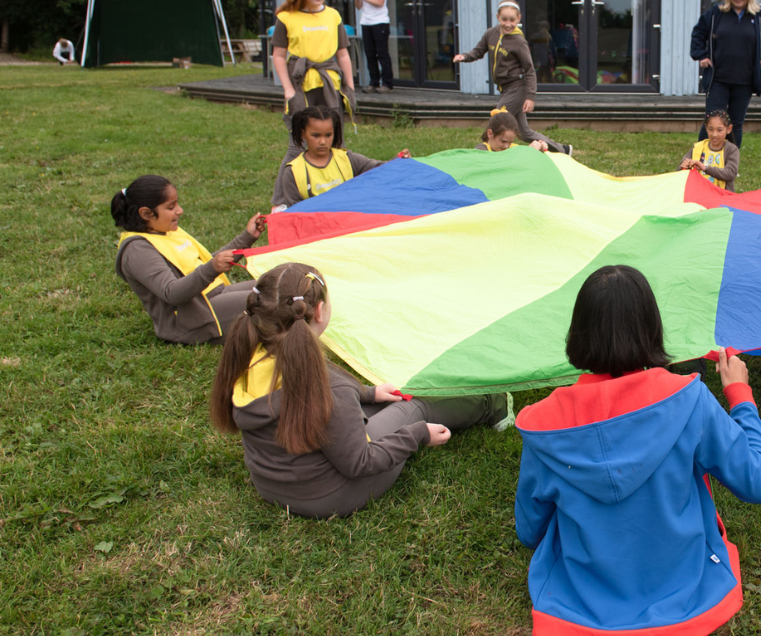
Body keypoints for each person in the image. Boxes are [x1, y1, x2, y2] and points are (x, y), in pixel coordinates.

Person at [514, 265, 761, 634]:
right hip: (690, 596)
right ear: (652, 327)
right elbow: (759, 482)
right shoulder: (690, 399)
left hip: (577, 607)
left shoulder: (543, 423)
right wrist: (740, 395)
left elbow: (529, 532)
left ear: (578, 332)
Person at [208, 262, 513, 518]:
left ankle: (399, 405)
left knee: (377, 407)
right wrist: (418, 435)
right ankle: (492, 404)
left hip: (274, 486)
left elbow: (325, 403)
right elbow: (360, 462)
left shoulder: (248, 357)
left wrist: (368, 394)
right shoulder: (329, 384)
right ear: (321, 311)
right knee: (414, 406)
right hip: (333, 494)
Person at [112, 175, 265, 345]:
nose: (179, 210)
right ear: (146, 213)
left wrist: (246, 238)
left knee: (286, 282)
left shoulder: (163, 230)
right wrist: (212, 268)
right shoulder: (137, 250)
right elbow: (172, 292)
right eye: (171, 207)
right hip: (194, 319)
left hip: (213, 295)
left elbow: (202, 265)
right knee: (280, 298)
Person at [272, 0, 356, 164]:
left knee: (334, 138)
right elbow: (279, 56)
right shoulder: (286, 18)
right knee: (299, 141)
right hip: (301, 87)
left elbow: (343, 53)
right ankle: (286, 192)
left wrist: (350, 84)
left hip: (330, 85)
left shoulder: (333, 16)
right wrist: (288, 90)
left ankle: (339, 184)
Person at [453, 1, 572, 155]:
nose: (508, 24)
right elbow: (478, 51)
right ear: (498, 17)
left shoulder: (518, 42)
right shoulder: (491, 34)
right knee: (525, 133)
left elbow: (530, 70)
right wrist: (465, 56)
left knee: (498, 119)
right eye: (504, 19)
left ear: (518, 19)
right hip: (505, 89)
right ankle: (563, 150)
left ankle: (483, 151)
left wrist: (530, 97)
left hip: (517, 88)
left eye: (512, 20)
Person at [689, 0, 761, 148]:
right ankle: (701, 160)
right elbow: (698, 33)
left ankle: (730, 164)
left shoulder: (760, 16)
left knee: (735, 123)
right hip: (718, 79)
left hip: (744, 81)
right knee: (712, 120)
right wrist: (701, 55)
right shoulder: (716, 13)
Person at [273, 106, 407, 209]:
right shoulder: (293, 172)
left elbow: (379, 169)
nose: (322, 141)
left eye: (328, 135)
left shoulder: (347, 159)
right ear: (303, 134)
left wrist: (399, 160)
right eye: (316, 135)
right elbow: (295, 215)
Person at [352, 0, 393, 94]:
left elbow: (380, 2)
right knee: (370, 53)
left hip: (380, 22)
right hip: (366, 22)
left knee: (382, 53)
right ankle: (373, 82)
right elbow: (358, 7)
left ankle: (387, 83)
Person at [679, 110, 740, 191]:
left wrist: (705, 168)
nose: (714, 134)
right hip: (699, 194)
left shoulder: (731, 150)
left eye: (719, 130)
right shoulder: (698, 147)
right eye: (710, 129)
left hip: (722, 197)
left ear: (729, 129)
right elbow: (679, 170)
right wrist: (685, 166)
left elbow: (730, 174)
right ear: (706, 128)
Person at [475, 109, 547, 152]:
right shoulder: (480, 151)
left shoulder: (513, 148)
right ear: (490, 134)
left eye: (510, 142)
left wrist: (537, 151)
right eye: (503, 141)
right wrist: (526, 152)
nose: (506, 146)